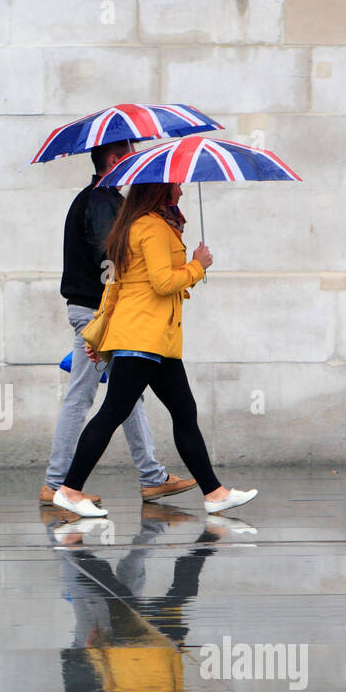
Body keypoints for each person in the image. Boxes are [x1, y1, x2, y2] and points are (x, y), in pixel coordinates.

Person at [52, 181, 258, 518]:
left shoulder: (136, 226)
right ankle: (70, 490)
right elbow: (163, 283)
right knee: (113, 412)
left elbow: (115, 287)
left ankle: (215, 492)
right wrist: (197, 265)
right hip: (143, 338)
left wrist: (100, 338)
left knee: (183, 412)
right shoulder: (152, 227)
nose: (181, 190)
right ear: (160, 191)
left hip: (154, 339)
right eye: (176, 185)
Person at [39, 140, 198, 508]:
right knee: (84, 398)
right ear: (115, 160)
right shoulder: (101, 202)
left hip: (99, 311)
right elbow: (112, 263)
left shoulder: (104, 200)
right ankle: (58, 484)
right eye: (131, 155)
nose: (140, 162)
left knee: (126, 398)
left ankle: (152, 477)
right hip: (97, 312)